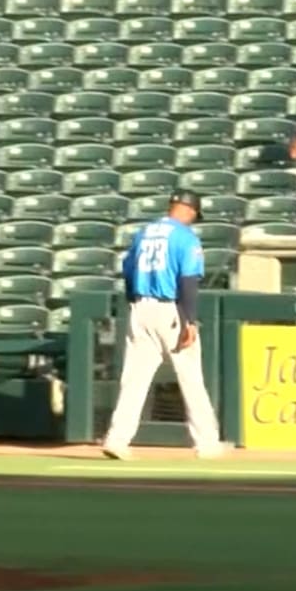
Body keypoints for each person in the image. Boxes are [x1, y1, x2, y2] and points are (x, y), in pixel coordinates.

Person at [100, 190, 224, 462]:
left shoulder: (143, 233)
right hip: (170, 309)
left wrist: (135, 303)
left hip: (140, 307)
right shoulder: (184, 236)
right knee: (191, 378)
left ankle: (117, 439)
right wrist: (189, 319)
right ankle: (207, 442)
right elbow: (188, 279)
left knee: (134, 380)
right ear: (189, 210)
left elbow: (128, 271)